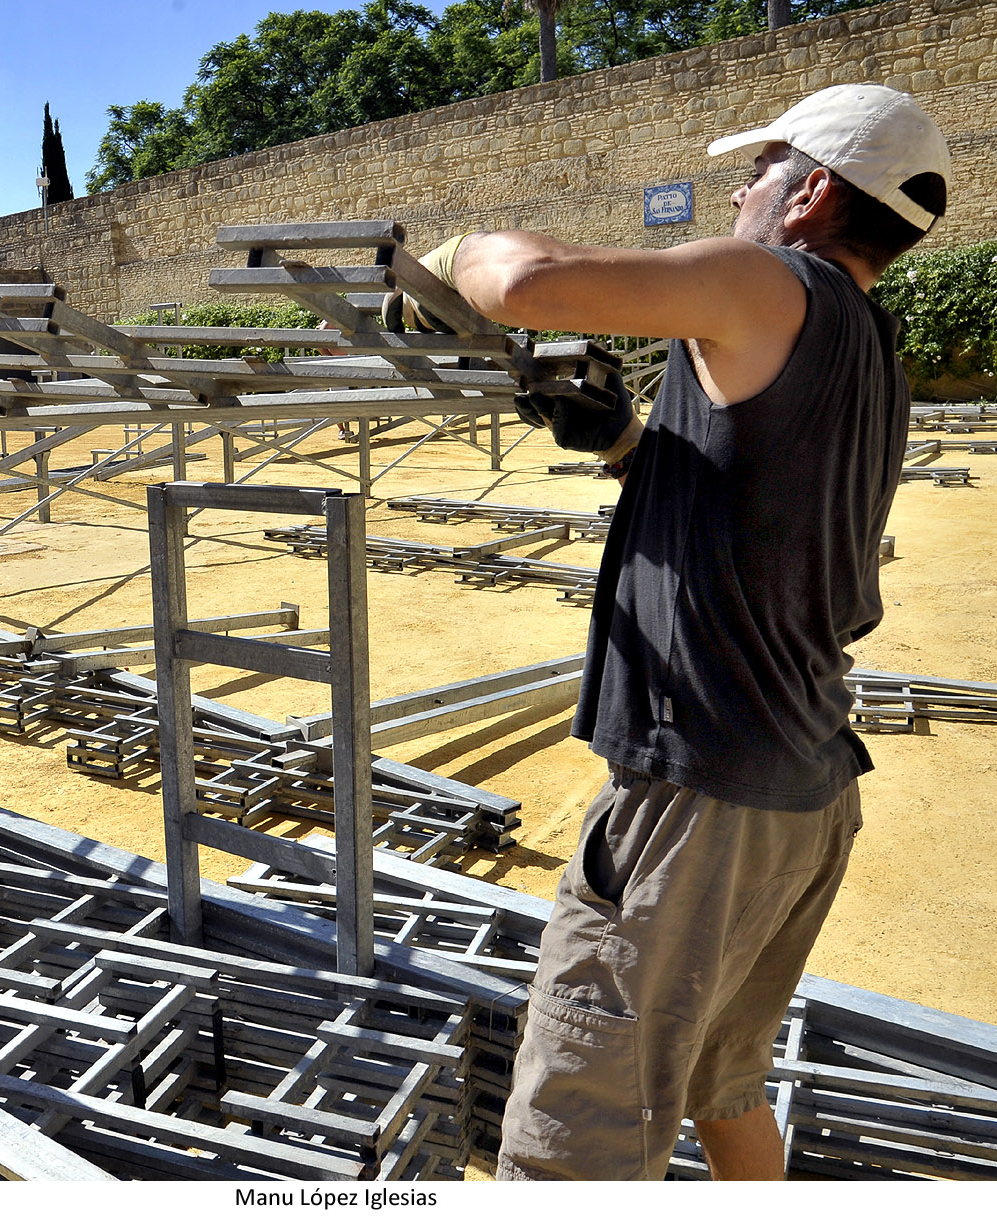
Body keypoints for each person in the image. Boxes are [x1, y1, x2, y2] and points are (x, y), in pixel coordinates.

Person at [394, 84, 949, 1180]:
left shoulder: (769, 282)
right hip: (802, 788)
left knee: (572, 1139)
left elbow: (528, 285)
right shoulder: (871, 355)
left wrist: (449, 258)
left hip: (699, 803)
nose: (738, 193)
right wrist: (624, 441)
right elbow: (759, 522)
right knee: (720, 1084)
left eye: (759, 173)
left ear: (811, 195)